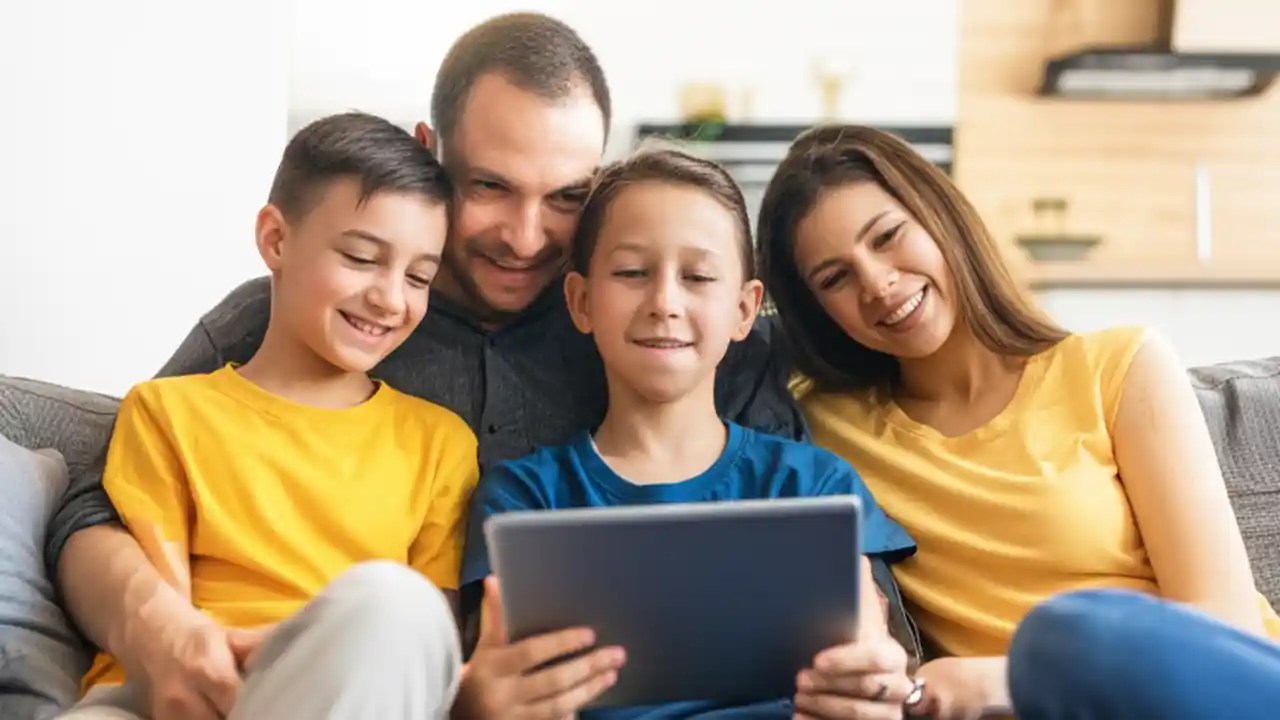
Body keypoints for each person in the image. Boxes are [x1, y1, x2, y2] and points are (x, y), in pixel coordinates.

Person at [46, 12, 805, 720]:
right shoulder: (290, 316)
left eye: (567, 196)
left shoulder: (657, 331)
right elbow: (94, 508)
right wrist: (157, 627)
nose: (526, 237)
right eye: (490, 186)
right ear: (429, 151)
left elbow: (807, 549)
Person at [754, 124, 1280, 719]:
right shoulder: (822, 431)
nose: (877, 284)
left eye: (888, 237)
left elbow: (1226, 628)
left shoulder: (1120, 366)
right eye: (835, 278)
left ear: (940, 218)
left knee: (1070, 628)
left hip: (1214, 693)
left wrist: (998, 679)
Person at [459, 146, 920, 720]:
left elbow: (891, 675)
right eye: (632, 273)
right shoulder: (523, 500)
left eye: (698, 277)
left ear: (745, 310)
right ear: (581, 301)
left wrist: (879, 686)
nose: (664, 303)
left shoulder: (816, 487)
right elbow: (495, 681)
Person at [58, 111, 474, 719]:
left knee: (400, 603)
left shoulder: (440, 445)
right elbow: (169, 629)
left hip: (339, 693)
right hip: (174, 694)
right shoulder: (170, 411)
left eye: (419, 277)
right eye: (361, 257)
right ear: (276, 240)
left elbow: (423, 652)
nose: (390, 298)